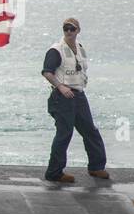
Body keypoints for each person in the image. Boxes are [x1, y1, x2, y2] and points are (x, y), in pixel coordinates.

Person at [42, 18, 108, 183]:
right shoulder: (56, 50)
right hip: (62, 97)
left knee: (90, 130)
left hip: (78, 95)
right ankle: (54, 172)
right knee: (64, 134)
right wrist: (61, 87)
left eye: (72, 29)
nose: (69, 32)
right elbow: (47, 72)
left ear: (78, 30)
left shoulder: (79, 48)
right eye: (66, 29)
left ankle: (96, 167)